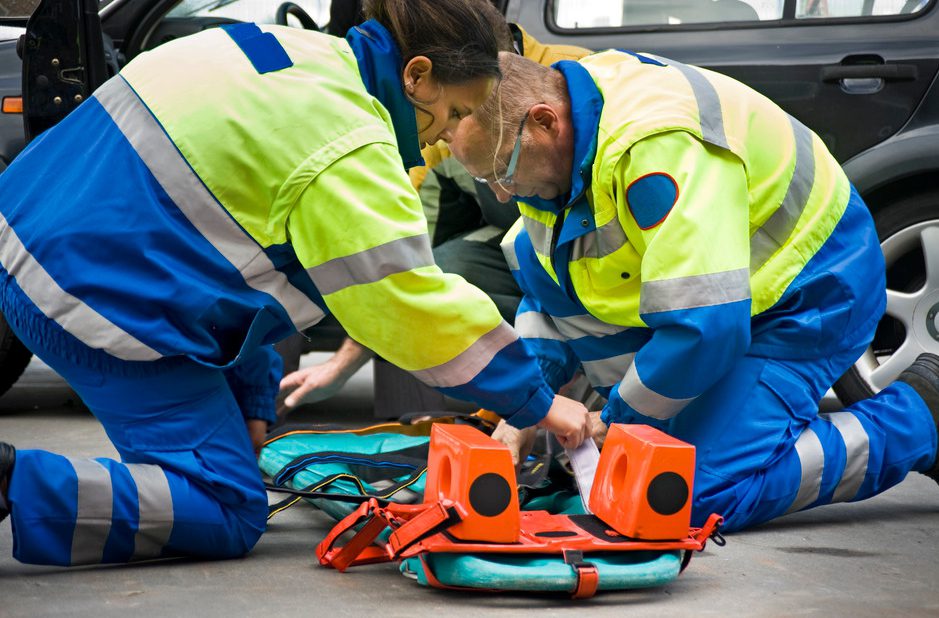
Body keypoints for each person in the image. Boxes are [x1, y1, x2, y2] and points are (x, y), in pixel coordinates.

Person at [0, 0, 591, 567]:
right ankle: (12, 483)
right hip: (82, 292)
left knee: (230, 449)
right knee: (228, 508)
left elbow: (237, 257)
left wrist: (254, 402)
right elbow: (406, 300)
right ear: (417, 75)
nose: (448, 135)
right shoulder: (349, 144)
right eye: (457, 112)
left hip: (26, 229)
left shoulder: (283, 50)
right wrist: (537, 402)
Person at [449, 51, 939, 532]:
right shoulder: (561, 143)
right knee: (644, 467)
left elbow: (706, 323)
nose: (500, 194)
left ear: (544, 121)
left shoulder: (655, 148)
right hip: (730, 299)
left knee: (686, 493)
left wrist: (615, 422)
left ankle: (919, 413)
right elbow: (550, 291)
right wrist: (526, 408)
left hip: (812, 290)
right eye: (483, 177)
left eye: (500, 170)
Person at [279, 23, 591, 413]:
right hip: (528, 251)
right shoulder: (442, 118)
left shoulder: (573, 75)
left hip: (592, 245)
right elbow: (401, 259)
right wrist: (343, 363)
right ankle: (417, 422)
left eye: (461, 113)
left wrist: (539, 402)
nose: (441, 134)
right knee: (442, 270)